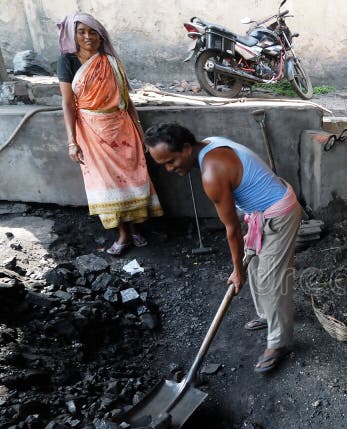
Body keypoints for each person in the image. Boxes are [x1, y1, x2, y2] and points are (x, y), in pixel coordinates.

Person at [144, 123, 302, 373]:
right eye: (163, 164)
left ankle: (278, 342)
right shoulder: (209, 143)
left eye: (171, 161)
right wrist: (241, 267)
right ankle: (268, 316)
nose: (170, 168)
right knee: (256, 268)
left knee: (271, 278)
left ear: (186, 148)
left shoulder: (211, 173)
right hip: (261, 213)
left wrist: (236, 270)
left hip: (279, 214)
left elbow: (232, 230)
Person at [57, 13, 162, 255]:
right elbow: (67, 103)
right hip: (92, 132)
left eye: (92, 31)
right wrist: (72, 142)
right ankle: (123, 234)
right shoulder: (67, 61)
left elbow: (127, 100)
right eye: (81, 31)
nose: (87, 36)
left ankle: (135, 229)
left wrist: (140, 130)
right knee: (107, 184)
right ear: (73, 35)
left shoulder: (111, 61)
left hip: (122, 127)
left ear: (100, 34)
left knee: (133, 179)